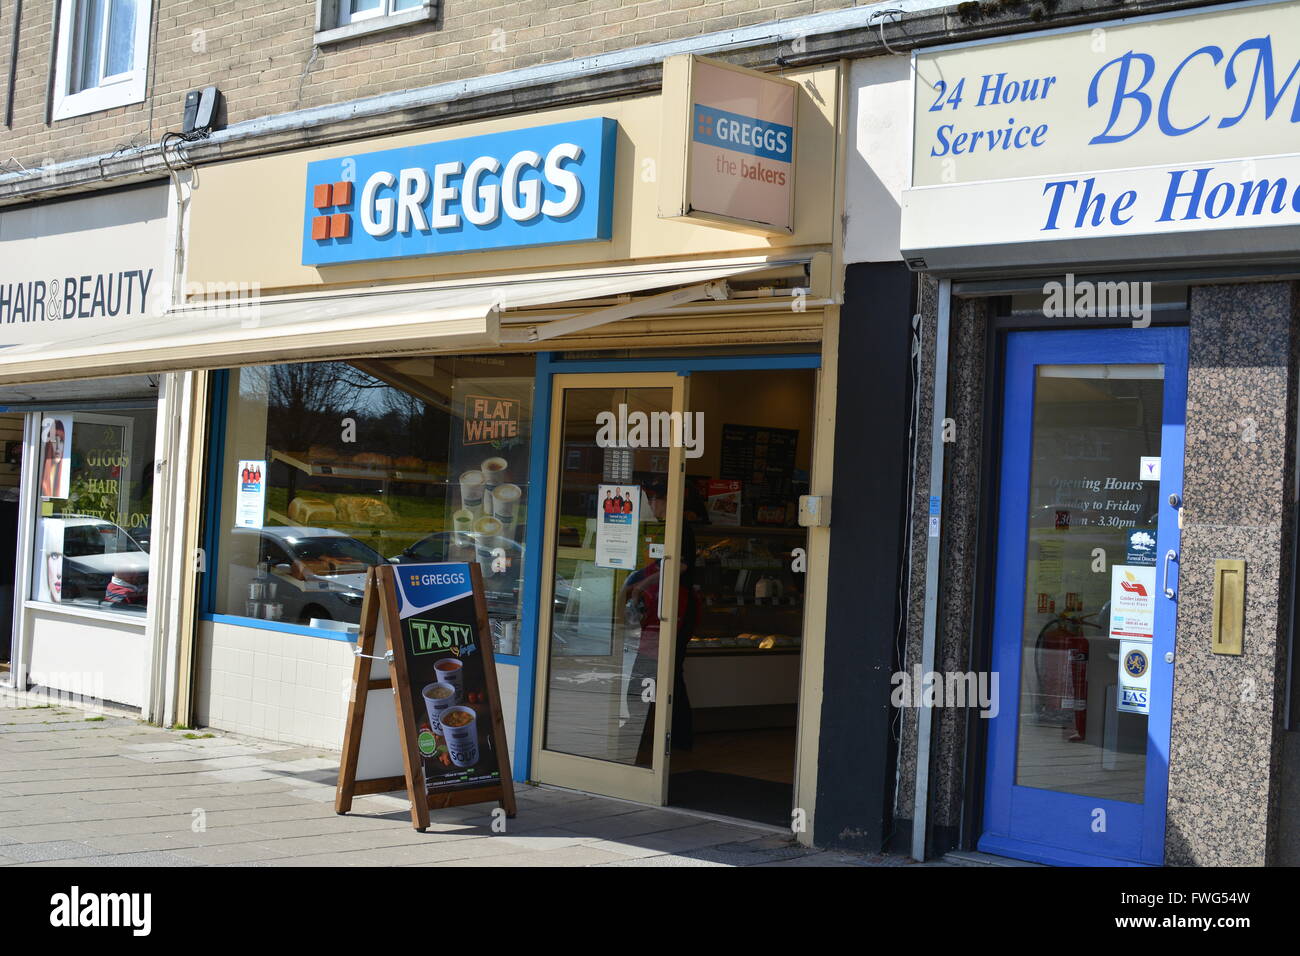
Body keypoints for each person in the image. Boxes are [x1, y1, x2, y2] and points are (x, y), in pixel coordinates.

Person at [621, 477, 699, 760]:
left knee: (666, 674)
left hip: (676, 611)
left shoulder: (681, 528)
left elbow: (678, 566)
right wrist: (637, 579)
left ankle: (669, 736)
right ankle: (658, 734)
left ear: (668, 500)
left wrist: (642, 584)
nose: (652, 504)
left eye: (655, 499)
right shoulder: (670, 528)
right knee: (660, 673)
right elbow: (662, 563)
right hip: (664, 612)